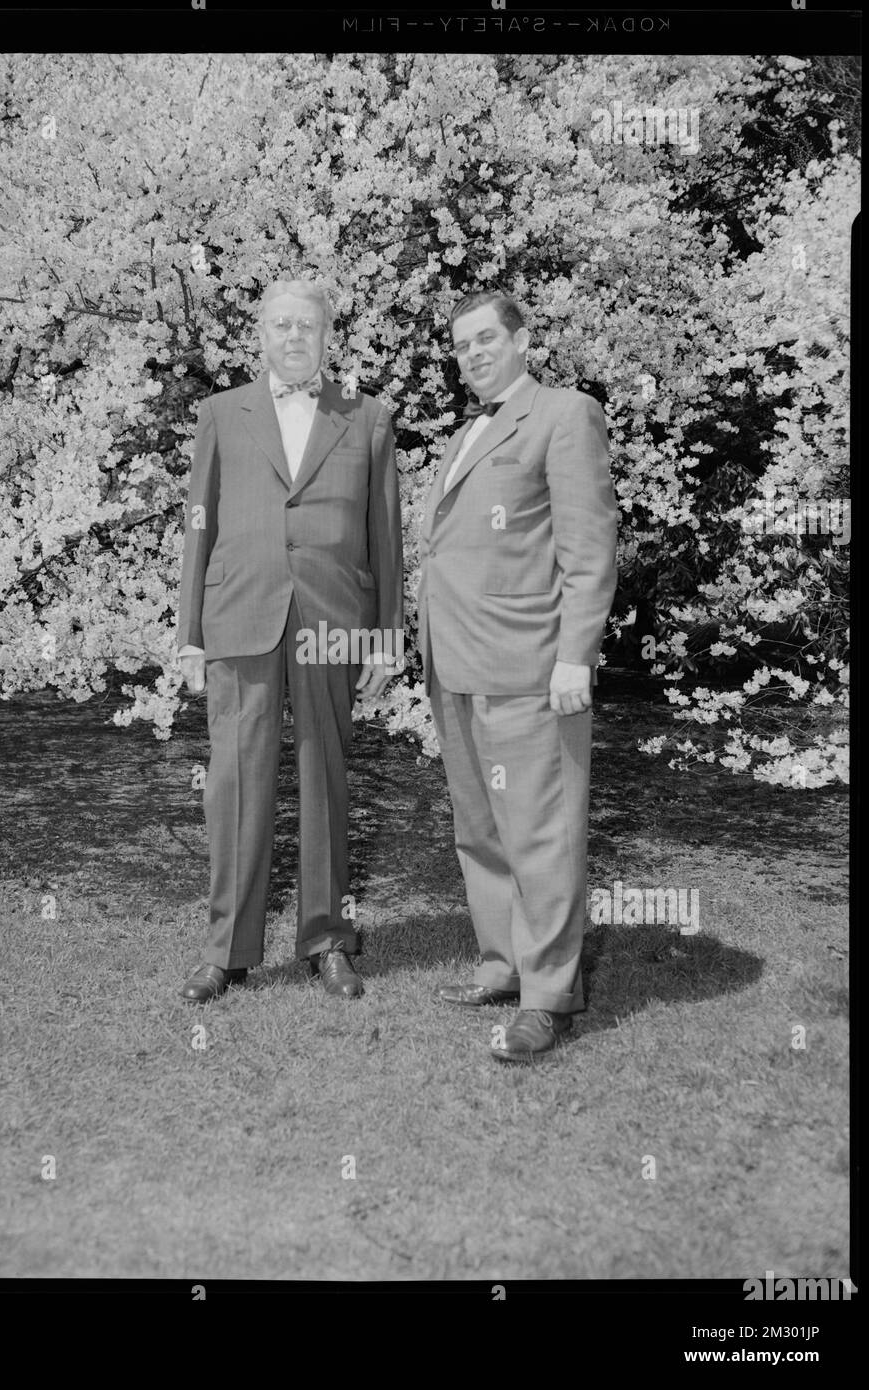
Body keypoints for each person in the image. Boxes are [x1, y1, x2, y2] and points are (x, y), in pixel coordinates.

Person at [176, 278, 403, 1001]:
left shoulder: (367, 418)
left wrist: (386, 638)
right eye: (281, 325)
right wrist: (189, 634)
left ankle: (328, 940)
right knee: (236, 782)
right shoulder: (220, 413)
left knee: (324, 776)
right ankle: (226, 950)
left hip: (332, 622)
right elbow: (198, 526)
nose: (294, 337)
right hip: (239, 614)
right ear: (261, 333)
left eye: (307, 326)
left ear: (326, 334)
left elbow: (386, 537)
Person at [417, 290, 618, 1061]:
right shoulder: (469, 431)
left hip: (532, 666)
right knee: (482, 831)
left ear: (521, 339)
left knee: (540, 833)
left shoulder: (565, 415)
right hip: (457, 666)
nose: (473, 355)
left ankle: (547, 996)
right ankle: (502, 967)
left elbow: (588, 547)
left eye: (486, 340)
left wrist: (576, 655)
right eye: (462, 345)